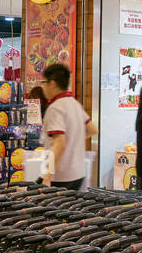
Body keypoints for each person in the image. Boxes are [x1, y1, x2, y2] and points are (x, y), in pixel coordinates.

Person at [38, 62, 97, 190]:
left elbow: (60, 144)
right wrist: (73, 141)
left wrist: (47, 176)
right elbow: (92, 129)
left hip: (60, 176)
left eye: (44, 82)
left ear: (52, 83)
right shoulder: (74, 103)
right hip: (78, 173)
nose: (42, 87)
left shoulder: (55, 107)